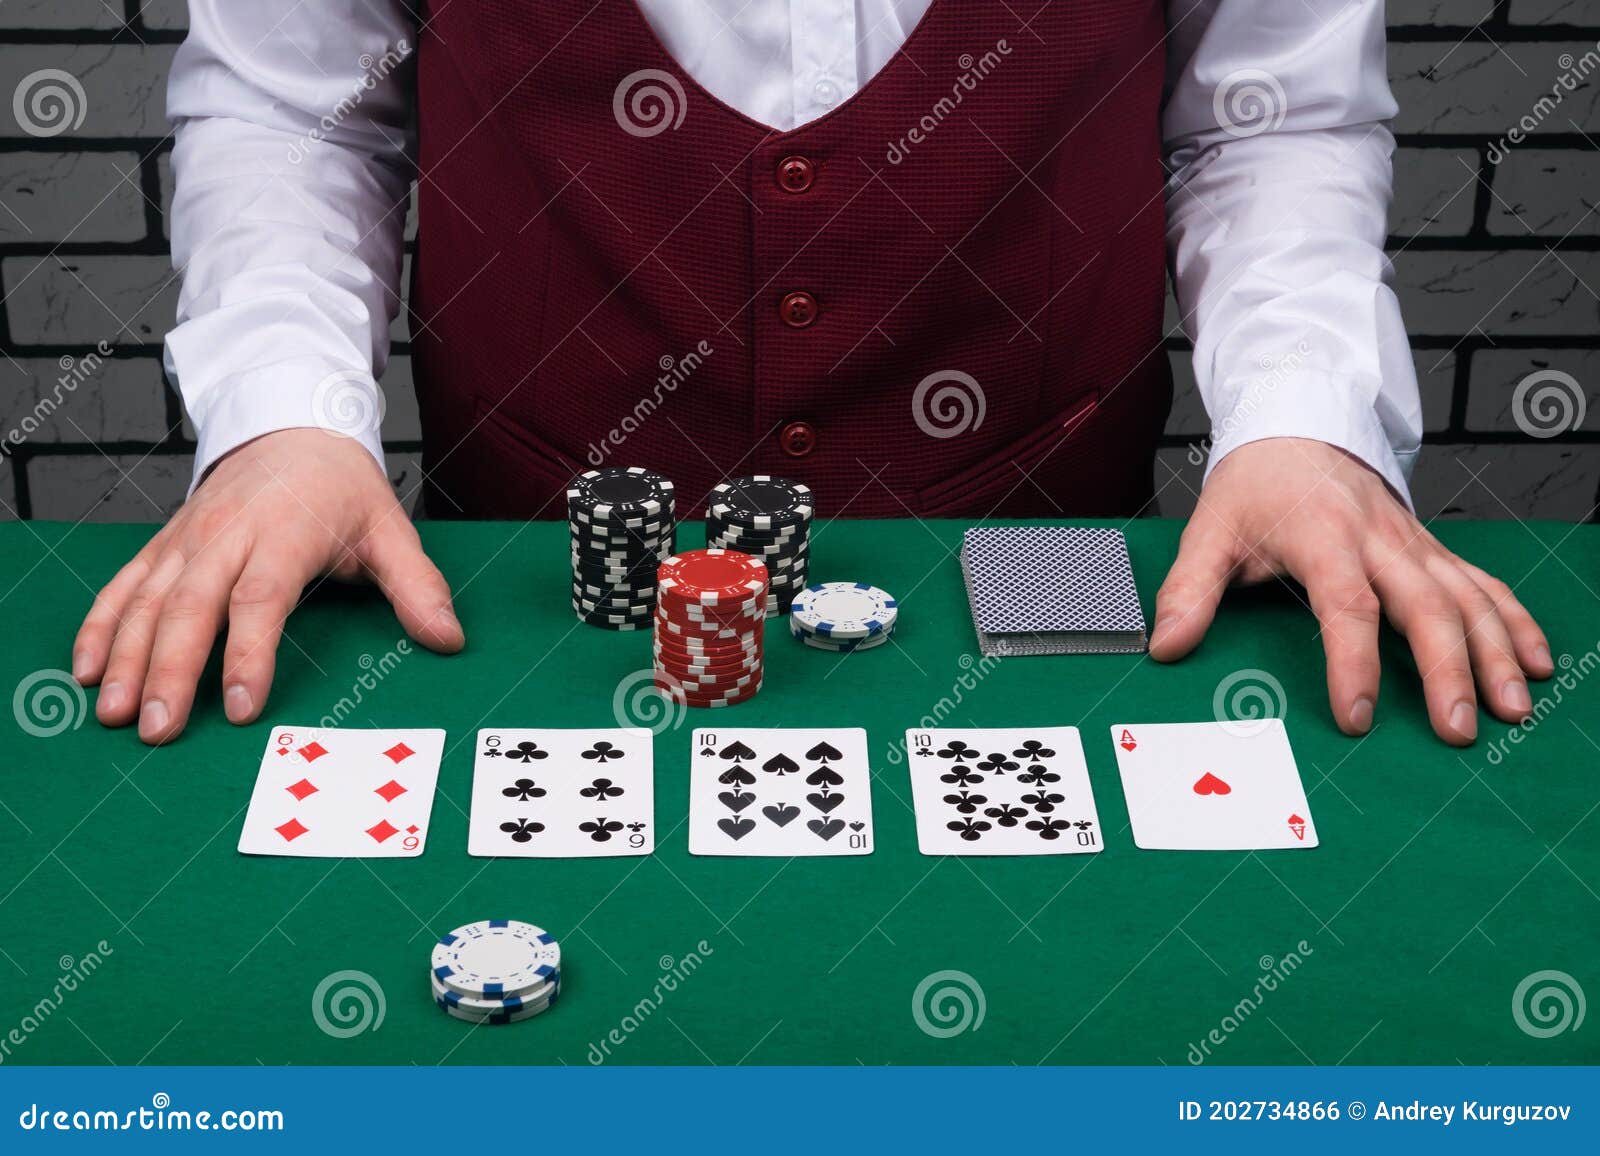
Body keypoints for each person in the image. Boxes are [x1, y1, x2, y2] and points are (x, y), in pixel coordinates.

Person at [71, 1, 1550, 747]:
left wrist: (1306, 420)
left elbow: (1265, 114)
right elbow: (293, 103)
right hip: (516, 575)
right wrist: (278, 415)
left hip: (1047, 553)